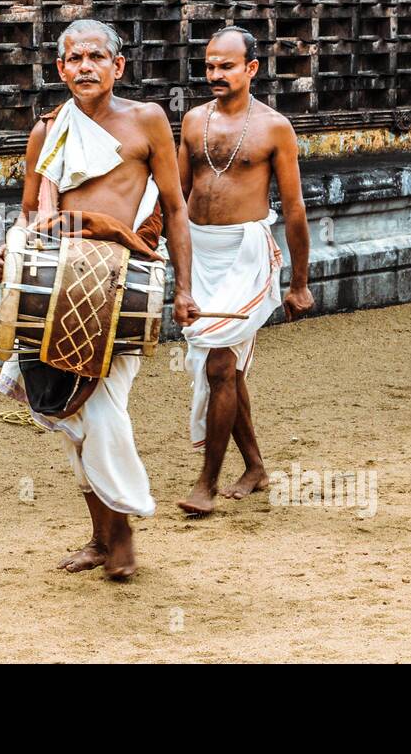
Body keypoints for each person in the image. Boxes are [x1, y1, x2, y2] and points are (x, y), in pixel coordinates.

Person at [0, 19, 197, 580]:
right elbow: (30, 214)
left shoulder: (148, 121)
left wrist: (184, 288)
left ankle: (123, 530)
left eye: (96, 57)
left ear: (117, 67)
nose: (85, 66)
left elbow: (176, 209)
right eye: (73, 58)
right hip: (57, 292)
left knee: (103, 413)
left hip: (117, 289)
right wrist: (12, 251)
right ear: (60, 69)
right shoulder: (47, 130)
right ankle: (102, 539)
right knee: (73, 421)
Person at [175, 26, 313, 516]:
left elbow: (294, 209)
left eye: (226, 66)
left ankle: (206, 485)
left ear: (251, 69)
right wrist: (170, 264)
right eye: (210, 65)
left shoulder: (274, 127)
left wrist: (299, 283)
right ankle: (254, 466)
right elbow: (176, 200)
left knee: (218, 365)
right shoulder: (193, 122)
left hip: (247, 256)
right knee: (224, 371)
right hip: (200, 252)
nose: (215, 74)